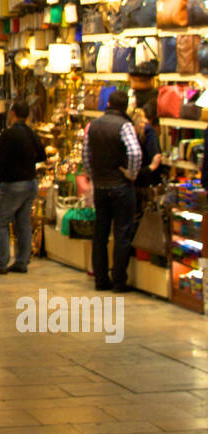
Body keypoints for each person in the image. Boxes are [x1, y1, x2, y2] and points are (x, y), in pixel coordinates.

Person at [83, 89, 141, 292]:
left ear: (108, 104)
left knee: (100, 233)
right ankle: (119, 281)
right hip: (120, 186)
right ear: (125, 107)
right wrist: (131, 174)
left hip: (100, 185)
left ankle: (101, 279)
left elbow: (86, 155)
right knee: (122, 233)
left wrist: (94, 175)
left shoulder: (93, 125)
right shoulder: (124, 125)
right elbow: (134, 152)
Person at [0, 98, 47, 274]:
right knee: (23, 223)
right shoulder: (32, 134)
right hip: (30, 183)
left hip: (13, 184)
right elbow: (42, 156)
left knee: (1, 222)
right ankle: (22, 261)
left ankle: (1, 263)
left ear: (12, 113)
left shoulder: (9, 134)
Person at [132, 107, 162, 192]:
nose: (145, 122)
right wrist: (151, 167)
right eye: (142, 120)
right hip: (142, 182)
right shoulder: (149, 131)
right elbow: (155, 154)